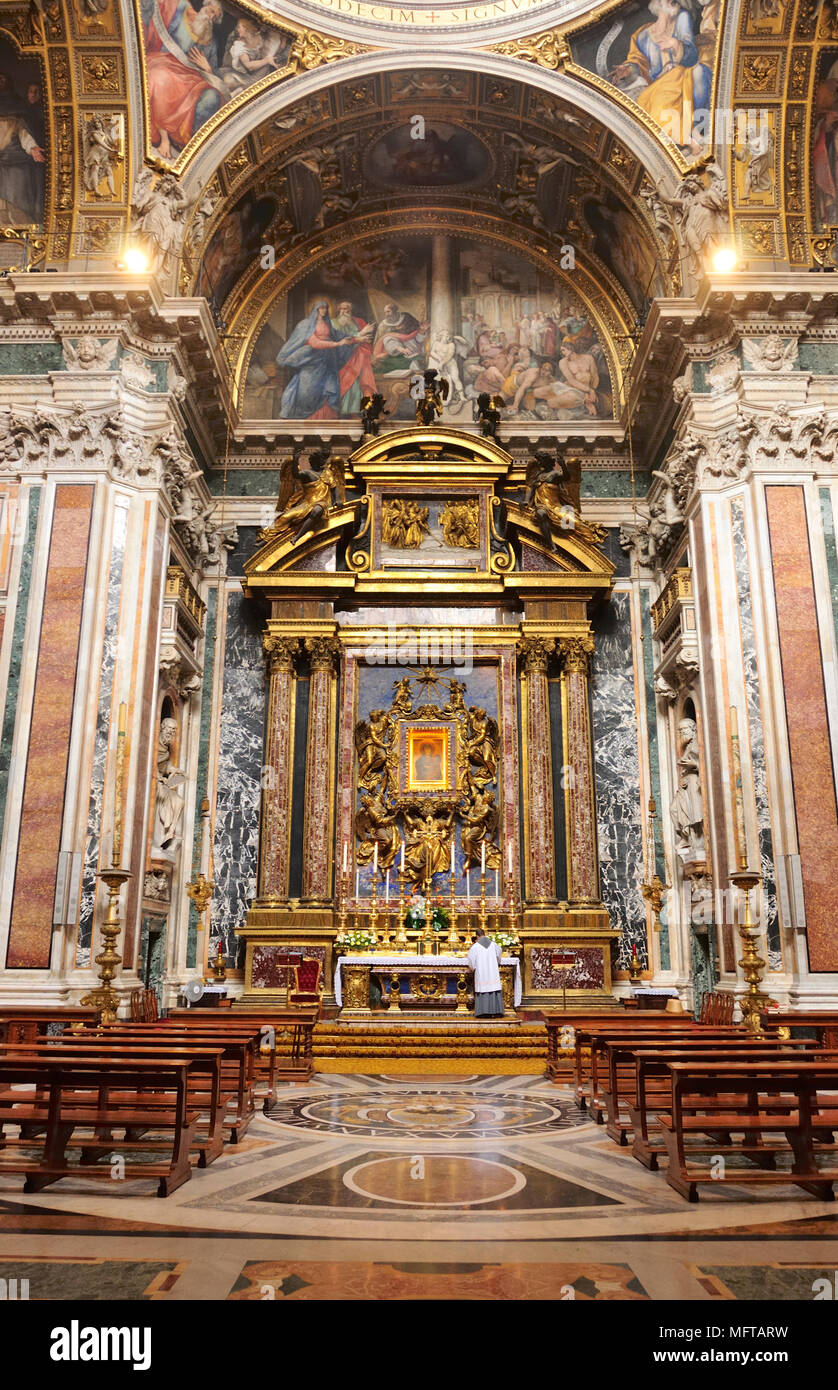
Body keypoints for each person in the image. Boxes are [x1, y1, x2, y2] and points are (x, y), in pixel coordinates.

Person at [467, 928, 504, 1017]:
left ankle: (482, 1013)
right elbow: (499, 955)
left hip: (482, 973)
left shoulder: (475, 947)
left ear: (477, 936)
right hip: (492, 972)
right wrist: (496, 963)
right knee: (493, 988)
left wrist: (472, 968)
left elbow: (471, 961)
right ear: (485, 934)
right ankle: (496, 1012)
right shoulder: (494, 945)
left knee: (483, 989)